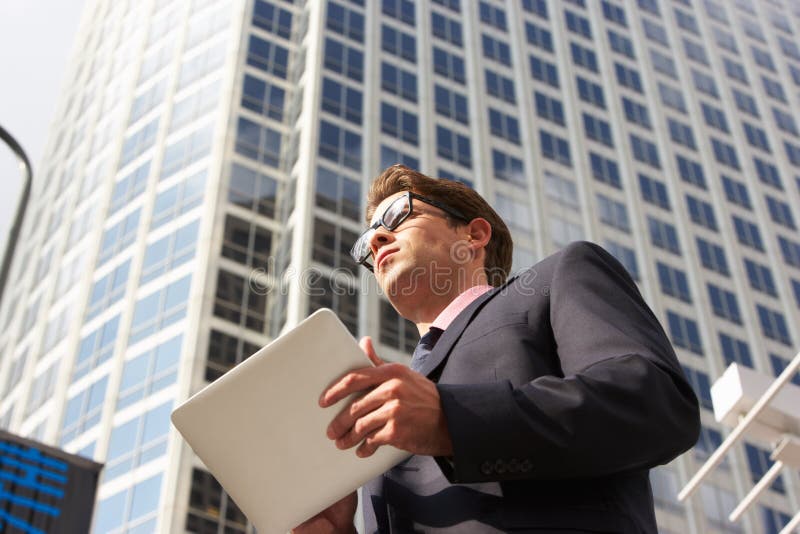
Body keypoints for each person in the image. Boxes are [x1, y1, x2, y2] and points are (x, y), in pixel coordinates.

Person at [294, 165, 700, 533]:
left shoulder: (559, 278)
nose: (377, 238)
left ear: (474, 235)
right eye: (367, 240)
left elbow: (656, 403)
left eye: (398, 216)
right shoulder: (386, 416)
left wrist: (452, 420)